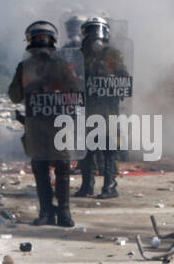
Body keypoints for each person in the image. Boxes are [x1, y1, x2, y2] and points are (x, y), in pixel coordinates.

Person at [7, 20, 84, 227]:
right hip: (52, 124)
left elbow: (14, 96)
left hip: (44, 125)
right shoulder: (56, 66)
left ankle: (53, 213)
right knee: (56, 167)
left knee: (47, 167)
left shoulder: (31, 67)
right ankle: (59, 214)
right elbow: (76, 93)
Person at [77, 16, 131, 199]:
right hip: (85, 109)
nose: (94, 35)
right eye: (91, 31)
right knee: (86, 149)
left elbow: (123, 78)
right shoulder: (79, 55)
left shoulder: (112, 55)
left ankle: (109, 186)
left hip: (108, 109)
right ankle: (87, 185)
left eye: (97, 30)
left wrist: (110, 82)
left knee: (109, 148)